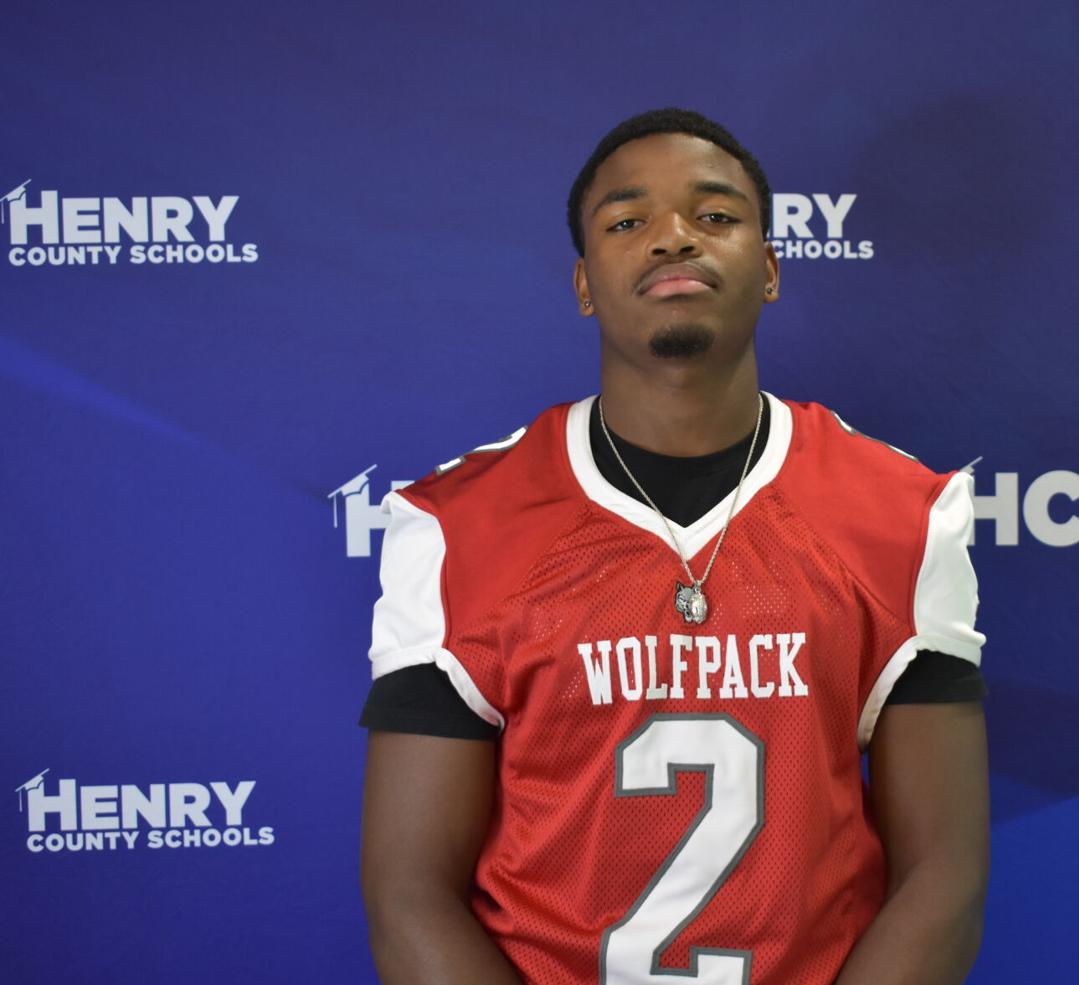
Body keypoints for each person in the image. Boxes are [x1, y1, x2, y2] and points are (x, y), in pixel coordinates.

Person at [359, 108, 990, 985]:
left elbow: (944, 871)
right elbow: (408, 889)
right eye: (627, 222)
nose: (672, 239)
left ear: (768, 269)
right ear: (584, 283)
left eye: (716, 216)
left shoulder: (900, 513)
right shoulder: (459, 523)